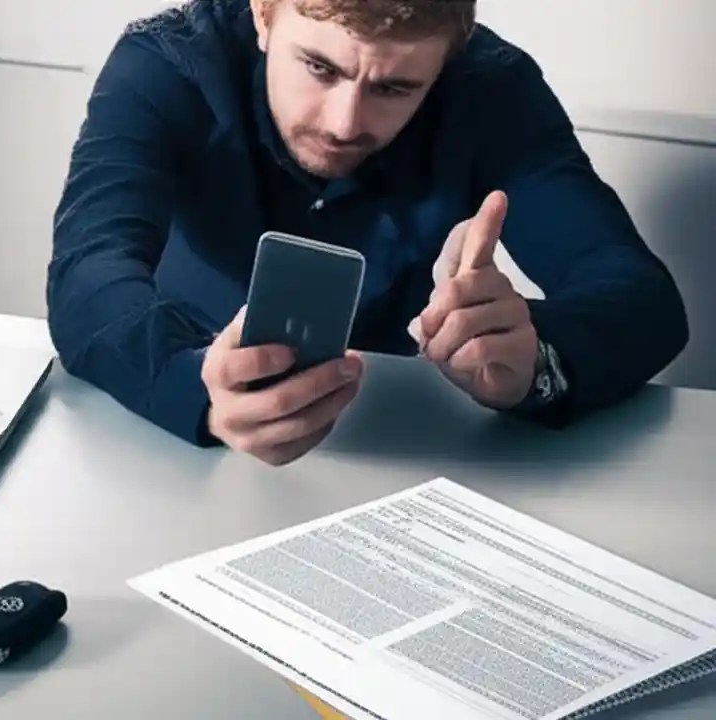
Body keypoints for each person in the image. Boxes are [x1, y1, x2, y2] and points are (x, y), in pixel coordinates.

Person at [46, 0, 688, 466]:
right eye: (320, 68)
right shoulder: (166, 63)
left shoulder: (492, 88)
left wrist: (531, 362)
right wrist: (197, 388)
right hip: (157, 432)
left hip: (401, 452)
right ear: (264, 14)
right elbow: (90, 268)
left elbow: (641, 299)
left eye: (395, 87)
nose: (345, 122)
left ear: (448, 61)